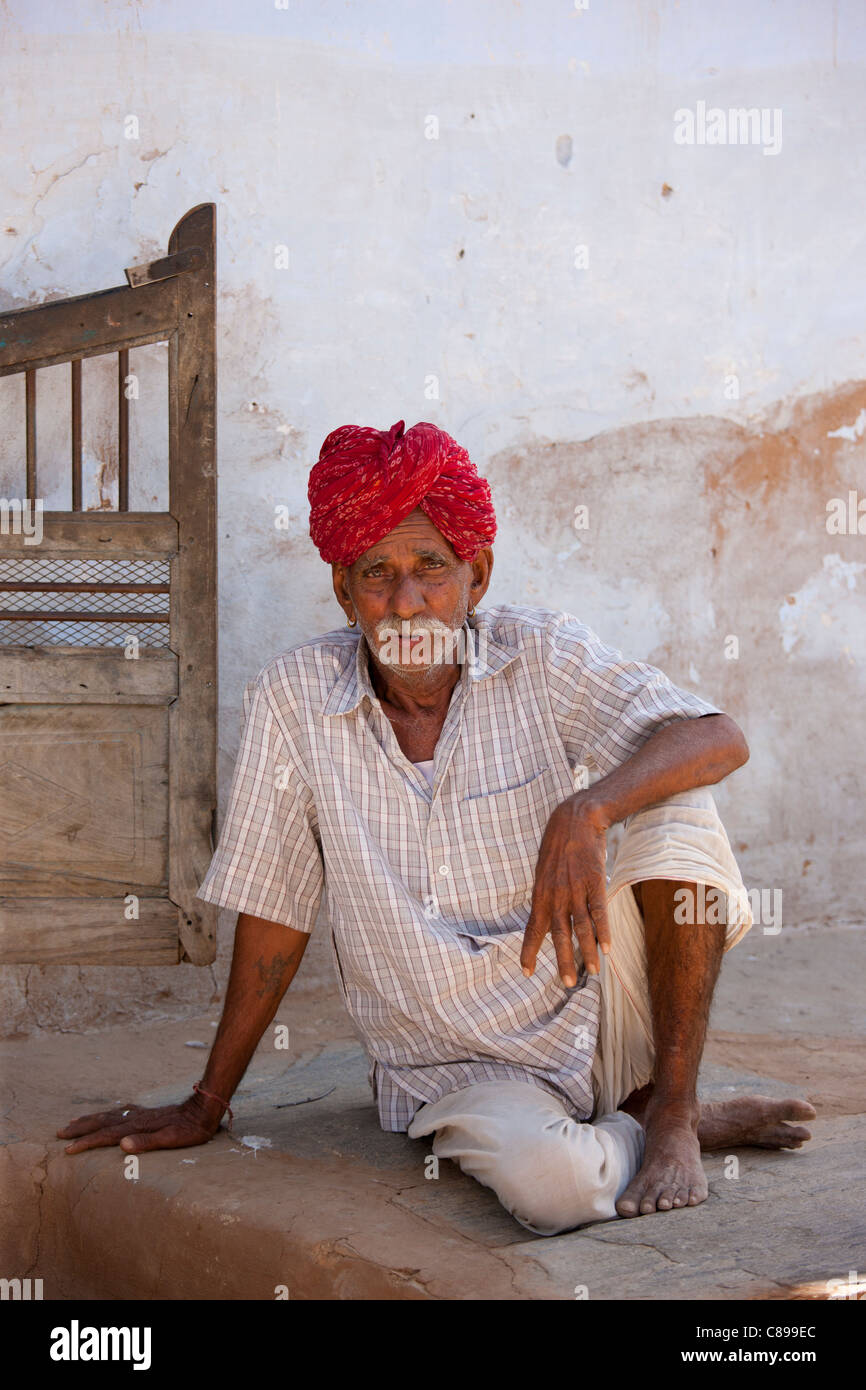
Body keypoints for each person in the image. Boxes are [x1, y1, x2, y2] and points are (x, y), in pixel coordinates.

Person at [59, 419, 815, 1235]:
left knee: (677, 795)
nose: (407, 601)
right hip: (461, 1061)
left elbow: (718, 736)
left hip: (599, 1006)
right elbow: (274, 909)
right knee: (552, 1188)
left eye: (432, 569)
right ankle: (660, 1122)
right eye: (377, 575)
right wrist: (209, 1101)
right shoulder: (294, 699)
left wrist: (586, 808)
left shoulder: (543, 655)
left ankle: (671, 1108)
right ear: (344, 593)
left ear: (477, 576)